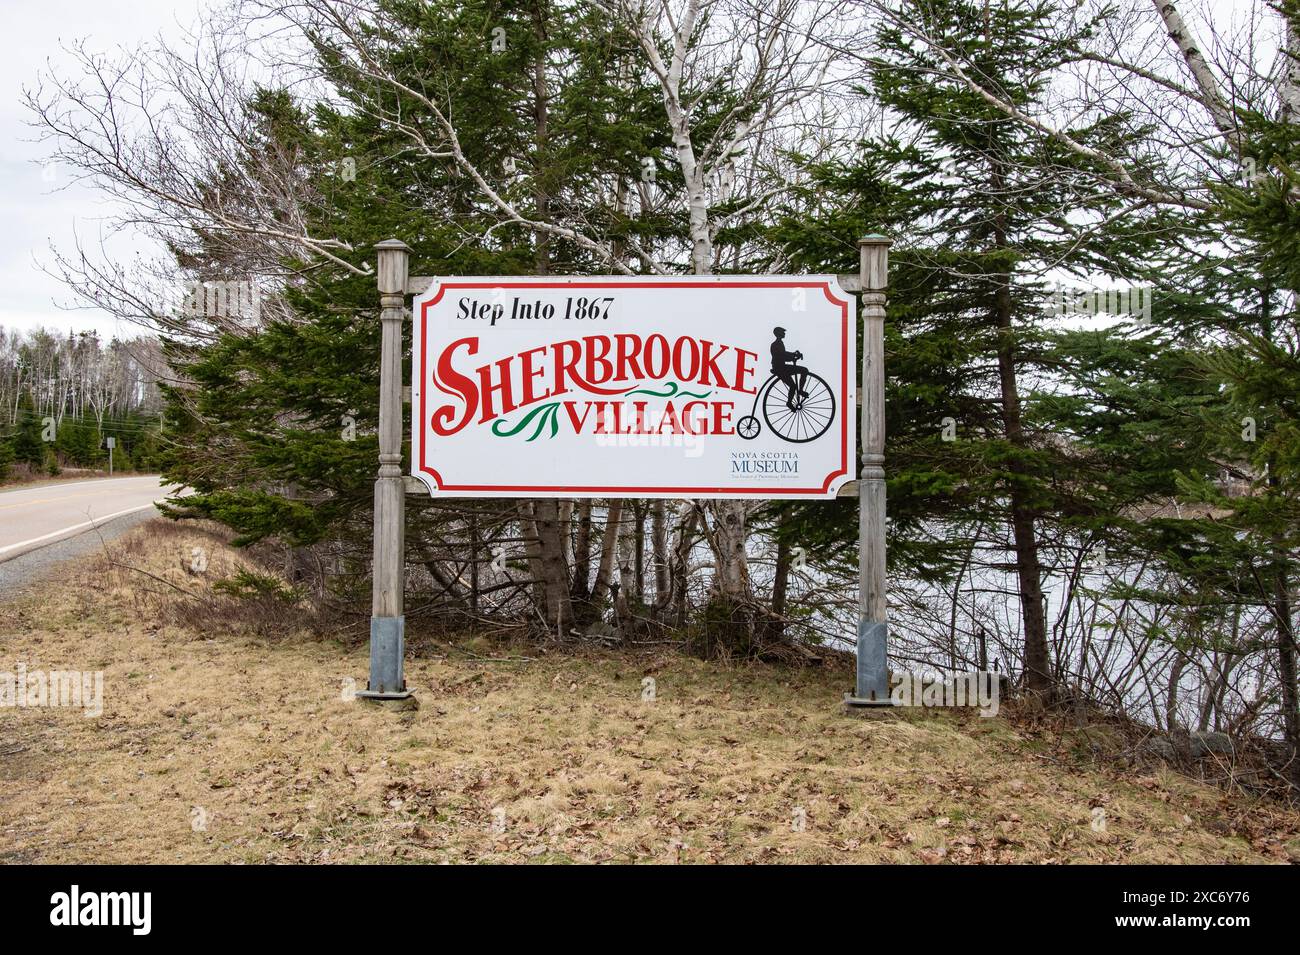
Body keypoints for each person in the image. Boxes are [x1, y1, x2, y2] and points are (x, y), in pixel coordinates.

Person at [769, 327, 809, 410]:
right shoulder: (775, 344)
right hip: (780, 368)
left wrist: (793, 355)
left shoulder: (780, 343)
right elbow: (781, 356)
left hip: (782, 368)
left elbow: (784, 354)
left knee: (794, 385)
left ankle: (794, 397)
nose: (784, 334)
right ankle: (798, 393)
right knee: (803, 371)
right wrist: (793, 356)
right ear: (778, 333)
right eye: (783, 332)